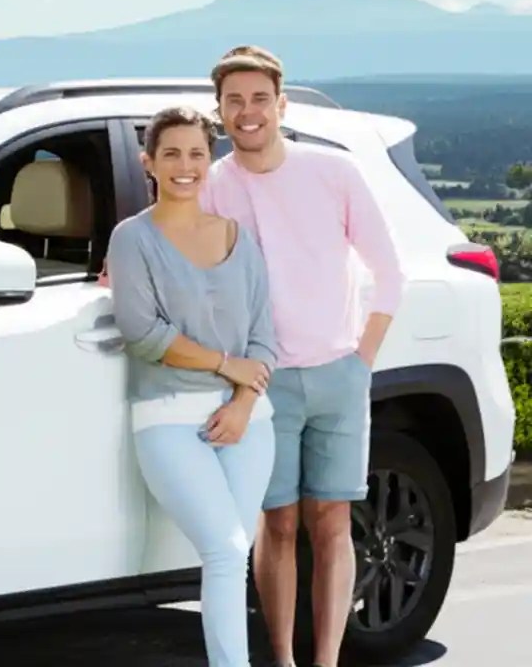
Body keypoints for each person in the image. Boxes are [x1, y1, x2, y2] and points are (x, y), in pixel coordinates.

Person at [200, 45, 405, 667]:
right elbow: (177, 254)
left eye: (260, 99)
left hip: (339, 374)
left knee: (333, 520)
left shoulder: (333, 172)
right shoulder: (212, 186)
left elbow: (389, 272)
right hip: (262, 384)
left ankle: (327, 660)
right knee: (279, 522)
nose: (248, 111)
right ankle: (284, 659)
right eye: (235, 101)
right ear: (220, 111)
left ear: (281, 105)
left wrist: (360, 361)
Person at [105, 105, 279, 667]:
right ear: (149, 163)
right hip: (169, 417)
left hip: (247, 422)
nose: (186, 166)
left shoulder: (239, 239)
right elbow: (144, 334)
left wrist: (244, 403)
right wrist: (227, 366)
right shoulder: (132, 239)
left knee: (232, 554)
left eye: (197, 154)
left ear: (211, 160)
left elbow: (264, 338)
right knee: (226, 550)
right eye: (172, 154)